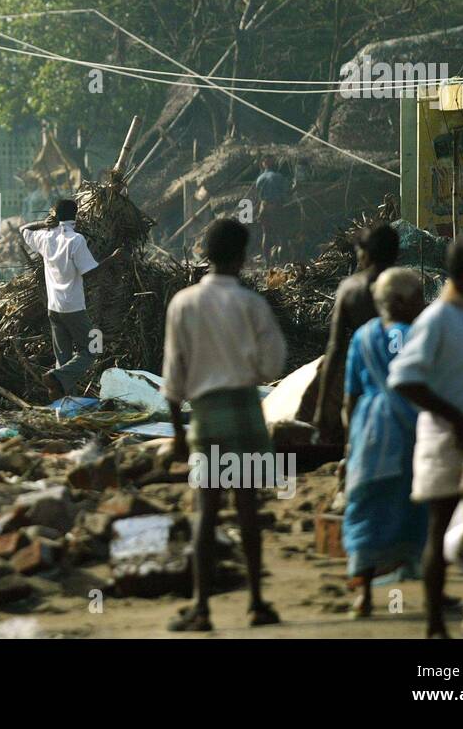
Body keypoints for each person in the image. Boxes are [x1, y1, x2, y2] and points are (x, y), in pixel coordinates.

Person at [163, 218, 286, 632]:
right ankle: (255, 602)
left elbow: (173, 376)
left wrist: (178, 434)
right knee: (247, 508)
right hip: (245, 411)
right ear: (242, 256)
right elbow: (273, 364)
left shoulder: (183, 303)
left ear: (205, 253)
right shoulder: (252, 304)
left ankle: (201, 607)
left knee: (206, 512)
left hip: (206, 414)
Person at [389, 232, 463, 639]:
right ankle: (436, 623)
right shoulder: (436, 318)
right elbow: (403, 379)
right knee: (438, 530)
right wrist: (454, 418)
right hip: (444, 441)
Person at [342, 266, 428, 619]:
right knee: (414, 503)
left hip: (371, 430)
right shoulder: (419, 335)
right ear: (400, 301)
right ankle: (420, 582)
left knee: (367, 504)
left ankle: (363, 595)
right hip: (412, 425)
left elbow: (350, 395)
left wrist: (350, 442)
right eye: (418, 298)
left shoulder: (361, 337)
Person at [20, 199, 124, 402]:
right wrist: (113, 258)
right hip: (74, 307)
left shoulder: (45, 237)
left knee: (63, 358)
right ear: (75, 216)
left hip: (53, 308)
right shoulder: (76, 240)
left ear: (55, 215)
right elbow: (91, 272)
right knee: (95, 346)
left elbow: (24, 229)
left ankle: (64, 403)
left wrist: (44, 224)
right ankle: (57, 377)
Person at [314, 223, 401, 444]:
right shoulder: (406, 285)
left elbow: (335, 347)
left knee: (360, 438)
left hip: (363, 376)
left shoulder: (350, 289)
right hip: (402, 378)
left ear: (366, 253)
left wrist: (321, 406)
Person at [254, 155, 292, 264]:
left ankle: (267, 262)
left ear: (263, 165)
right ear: (274, 164)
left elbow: (258, 195)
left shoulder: (259, 179)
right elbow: (286, 192)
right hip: (275, 207)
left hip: (263, 208)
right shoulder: (278, 177)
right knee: (281, 233)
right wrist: (294, 188)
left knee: (265, 233)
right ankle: (282, 261)